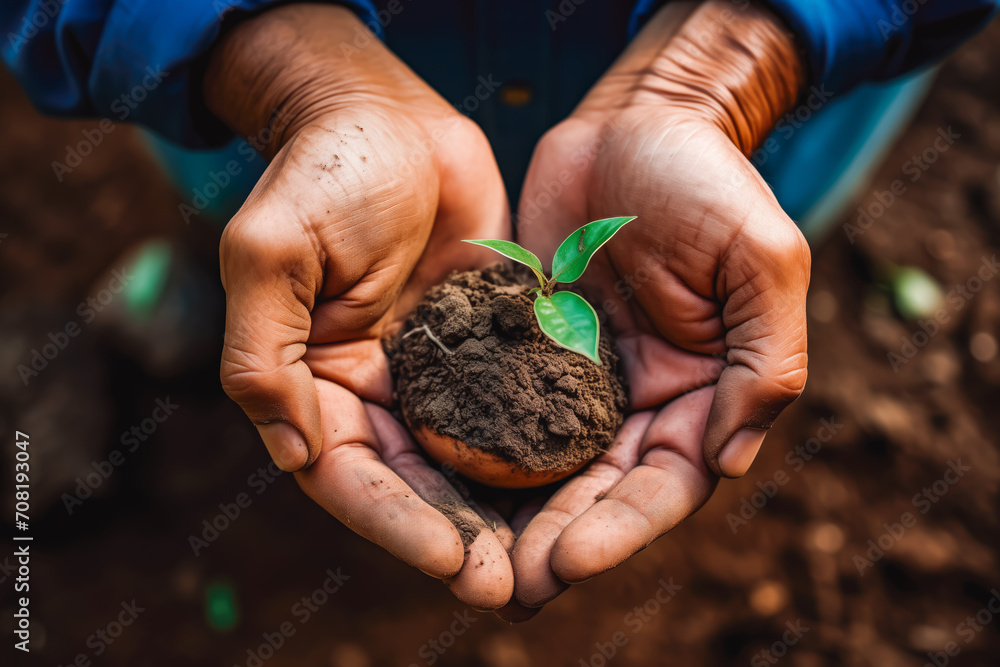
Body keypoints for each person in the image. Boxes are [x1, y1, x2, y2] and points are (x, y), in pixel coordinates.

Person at [4, 0, 996, 619]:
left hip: (738, 135)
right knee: (269, 228)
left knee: (743, 232)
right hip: (281, 124)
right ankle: (212, 277)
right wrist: (292, 76)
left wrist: (726, 74)